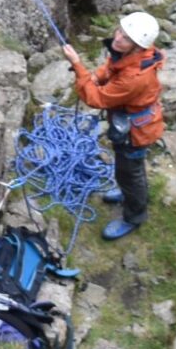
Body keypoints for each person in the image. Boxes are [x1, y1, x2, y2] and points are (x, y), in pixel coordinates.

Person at [63, 12, 164, 241]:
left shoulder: (134, 78)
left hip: (135, 133)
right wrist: (94, 78)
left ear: (137, 46)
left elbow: (97, 99)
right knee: (130, 169)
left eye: (126, 38)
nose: (118, 38)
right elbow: (110, 68)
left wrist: (78, 66)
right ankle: (130, 193)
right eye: (120, 31)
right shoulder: (131, 55)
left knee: (129, 173)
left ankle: (134, 216)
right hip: (132, 123)